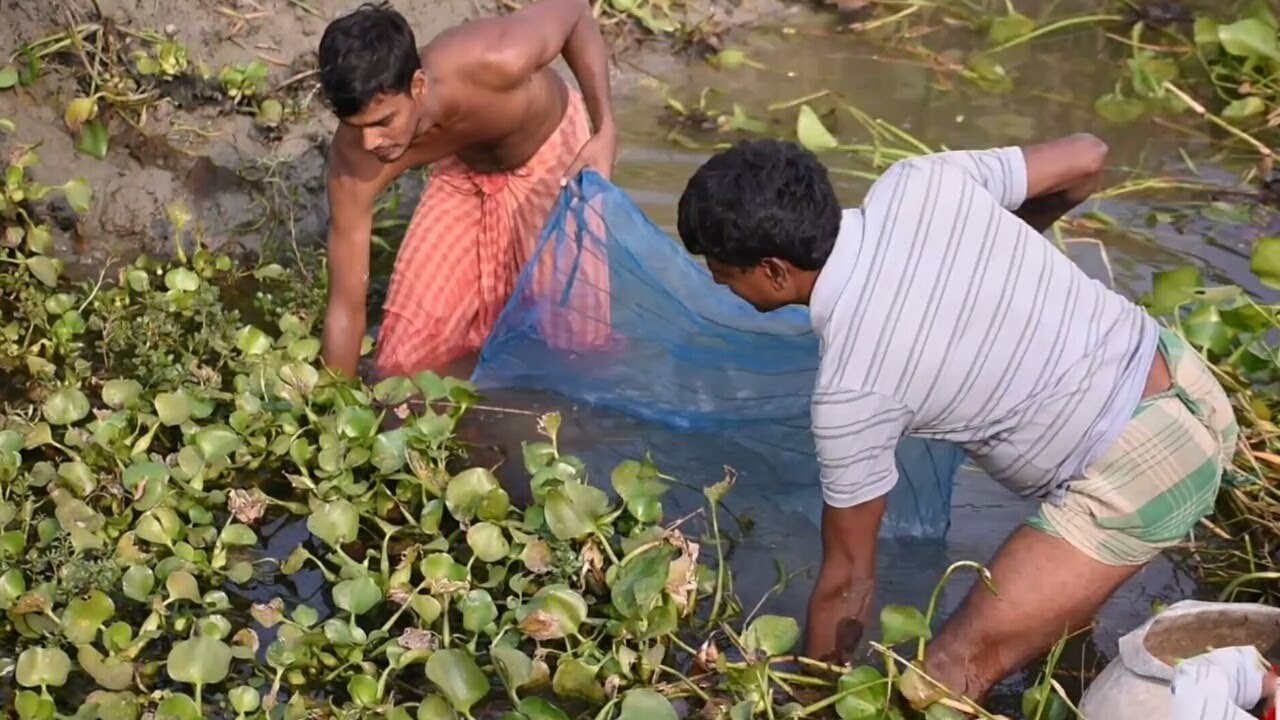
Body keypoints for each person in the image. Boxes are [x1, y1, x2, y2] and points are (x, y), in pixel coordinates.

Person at [674, 136, 1240, 707]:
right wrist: (1005, 252)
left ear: (773, 271)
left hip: (1143, 474)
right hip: (1187, 382)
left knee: (943, 675)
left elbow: (849, 580)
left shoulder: (854, 386)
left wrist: (815, 700)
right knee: (1035, 632)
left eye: (722, 272)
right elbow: (1088, 157)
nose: (719, 283)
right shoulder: (918, 183)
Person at [317, 0, 615, 380]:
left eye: (384, 121)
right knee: (402, 357)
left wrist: (606, 129)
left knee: (574, 349)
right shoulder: (353, 160)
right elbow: (345, 307)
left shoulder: (498, 55)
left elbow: (573, 10)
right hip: (467, 170)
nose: (371, 142)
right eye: (355, 126)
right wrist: (329, 412)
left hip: (552, 156)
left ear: (419, 86)